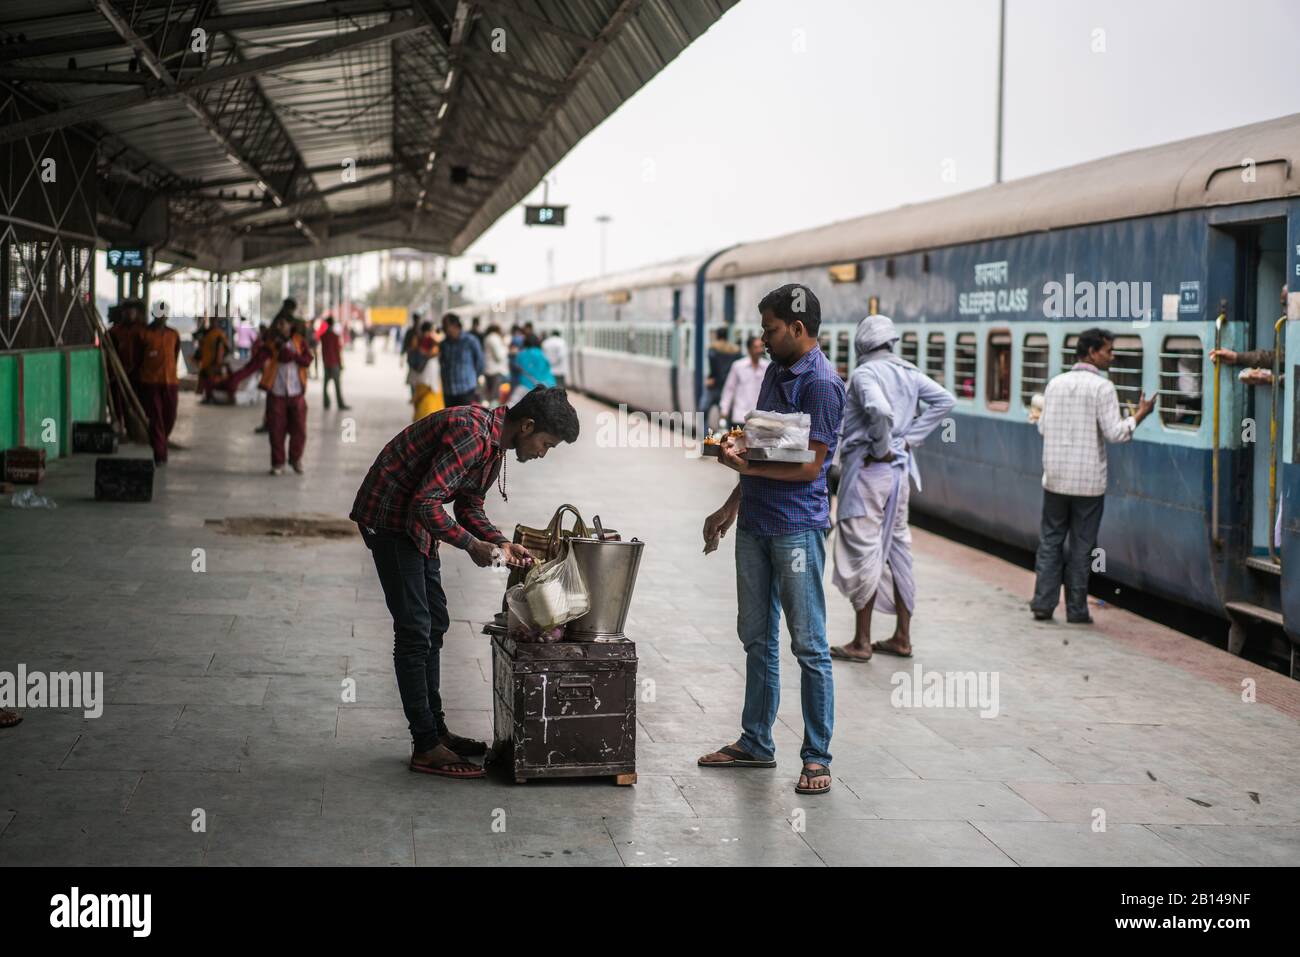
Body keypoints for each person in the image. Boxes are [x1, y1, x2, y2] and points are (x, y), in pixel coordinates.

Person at [349, 387, 581, 779]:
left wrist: (501, 542)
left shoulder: (495, 446)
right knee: (414, 631)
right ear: (526, 426)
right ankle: (425, 746)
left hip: (416, 524)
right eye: (546, 444)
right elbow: (425, 503)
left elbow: (467, 504)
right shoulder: (472, 436)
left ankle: (437, 731)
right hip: (389, 519)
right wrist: (472, 545)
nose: (543, 453)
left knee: (435, 624)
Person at [697, 284, 846, 796]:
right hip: (757, 522)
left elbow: (809, 467)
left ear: (798, 329)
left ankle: (817, 757)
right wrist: (729, 505)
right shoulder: (775, 373)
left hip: (797, 529)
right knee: (756, 637)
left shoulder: (822, 384)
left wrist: (743, 460)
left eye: (770, 329)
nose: (763, 338)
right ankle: (756, 742)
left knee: (809, 644)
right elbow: (764, 451)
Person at [829, 316, 955, 662]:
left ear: (862, 344)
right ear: (890, 342)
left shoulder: (865, 374)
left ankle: (862, 641)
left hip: (870, 471)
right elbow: (945, 401)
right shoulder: (908, 372)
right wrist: (910, 439)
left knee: (863, 548)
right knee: (898, 547)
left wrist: (883, 446)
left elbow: (879, 410)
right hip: (900, 474)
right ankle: (902, 637)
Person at [1031, 327, 1155, 623]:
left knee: (1050, 541)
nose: (1112, 357)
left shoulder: (1055, 384)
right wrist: (1140, 415)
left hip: (1056, 479)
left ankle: (1043, 604)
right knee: (1082, 547)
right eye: (1108, 351)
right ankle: (1076, 610)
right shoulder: (1103, 388)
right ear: (1091, 352)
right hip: (1088, 484)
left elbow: (1042, 428)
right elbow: (1115, 433)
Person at [260, 313, 313, 475]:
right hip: (277, 392)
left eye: (283, 323)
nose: (279, 327)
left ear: (290, 325)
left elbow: (307, 360)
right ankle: (278, 463)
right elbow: (259, 359)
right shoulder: (271, 343)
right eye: (278, 324)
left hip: (297, 392)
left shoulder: (299, 342)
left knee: (300, 429)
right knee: (276, 430)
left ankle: (295, 459)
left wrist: (295, 356)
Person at [137, 302, 182, 466]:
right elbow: (138, 358)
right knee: (156, 418)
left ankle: (159, 440)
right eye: (159, 313)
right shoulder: (144, 334)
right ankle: (160, 454)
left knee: (170, 417)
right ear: (154, 314)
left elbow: (175, 355)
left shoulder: (173, 334)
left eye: (164, 313)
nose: (162, 316)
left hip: (170, 382)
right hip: (150, 382)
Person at [719, 335, 770, 426]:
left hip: (760, 417)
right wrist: (724, 411)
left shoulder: (767, 367)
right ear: (749, 349)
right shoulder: (738, 366)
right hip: (740, 416)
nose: (759, 350)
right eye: (756, 347)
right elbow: (729, 389)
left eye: (761, 347)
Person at [439, 312, 484, 407]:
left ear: (455, 325)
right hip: (448, 391)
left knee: (464, 420)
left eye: (445, 326)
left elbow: (480, 363)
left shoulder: (471, 341)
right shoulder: (443, 344)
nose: (443, 329)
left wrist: (473, 379)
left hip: (466, 391)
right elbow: (442, 363)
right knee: (450, 421)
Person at [699, 326, 742, 419]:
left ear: (717, 336)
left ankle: (705, 432)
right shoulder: (735, 350)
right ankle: (725, 432)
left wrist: (711, 379)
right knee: (724, 413)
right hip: (727, 385)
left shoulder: (713, 349)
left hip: (714, 384)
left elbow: (713, 367)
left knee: (703, 411)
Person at [409, 321, 444, 421]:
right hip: (429, 376)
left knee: (419, 399)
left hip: (418, 375)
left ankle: (419, 421)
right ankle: (426, 421)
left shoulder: (417, 339)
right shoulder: (432, 339)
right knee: (429, 400)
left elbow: (412, 350)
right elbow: (435, 351)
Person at [508, 334, 556, 405]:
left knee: (511, 406)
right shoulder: (542, 354)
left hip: (525, 386)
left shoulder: (521, 354)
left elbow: (517, 366)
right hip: (545, 387)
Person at [196, 316, 230, 404]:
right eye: (212, 321)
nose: (213, 322)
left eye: (215, 321)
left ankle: (211, 396)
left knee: (212, 379)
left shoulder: (220, 334)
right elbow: (199, 341)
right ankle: (207, 396)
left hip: (215, 361)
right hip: (206, 360)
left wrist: (219, 358)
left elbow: (227, 348)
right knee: (206, 378)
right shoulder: (206, 332)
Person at [319, 317, 350, 411]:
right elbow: (337, 351)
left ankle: (326, 403)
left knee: (325, 385)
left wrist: (324, 362)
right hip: (334, 363)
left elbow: (323, 351)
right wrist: (340, 364)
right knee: (337, 385)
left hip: (326, 363)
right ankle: (340, 404)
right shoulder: (334, 336)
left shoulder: (323, 336)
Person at [482, 323, 509, 407]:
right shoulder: (495, 338)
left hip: (488, 369)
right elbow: (499, 356)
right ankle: (493, 415)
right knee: (495, 397)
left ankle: (489, 413)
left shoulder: (487, 338)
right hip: (495, 370)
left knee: (490, 395)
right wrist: (505, 347)